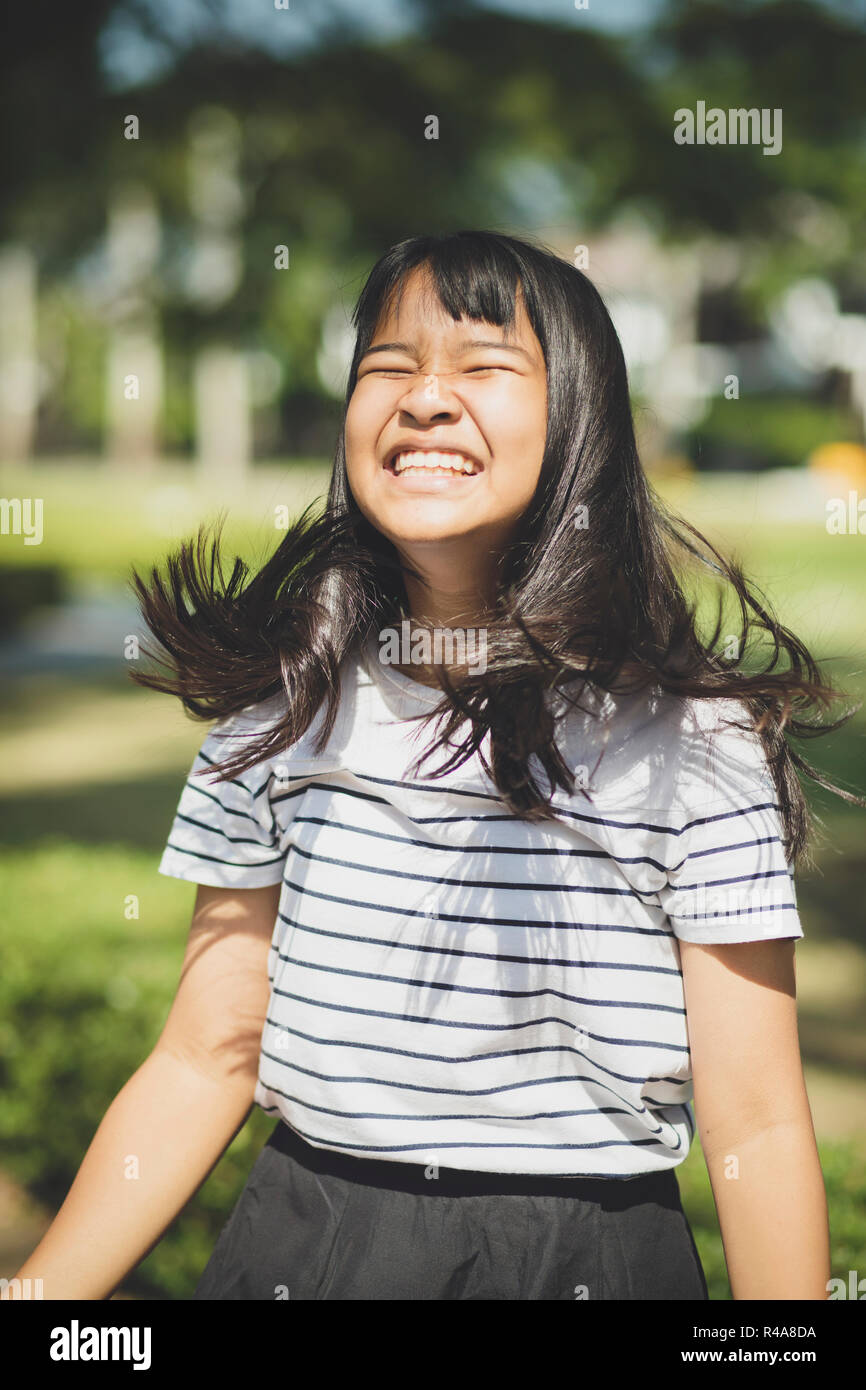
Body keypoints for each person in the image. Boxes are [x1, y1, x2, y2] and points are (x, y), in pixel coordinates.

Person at [6, 230, 861, 1301]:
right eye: (388, 367)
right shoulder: (274, 714)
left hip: (587, 1260)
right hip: (306, 1246)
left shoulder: (691, 744)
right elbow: (201, 1057)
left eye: (482, 367)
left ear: (579, 426)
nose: (422, 398)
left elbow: (760, 1124)